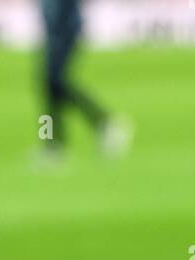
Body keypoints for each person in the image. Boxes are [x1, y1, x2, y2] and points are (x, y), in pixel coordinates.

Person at [39, 0, 131, 158]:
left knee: (54, 82)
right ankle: (54, 144)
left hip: (63, 31)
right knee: (51, 85)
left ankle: (103, 122)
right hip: (57, 31)